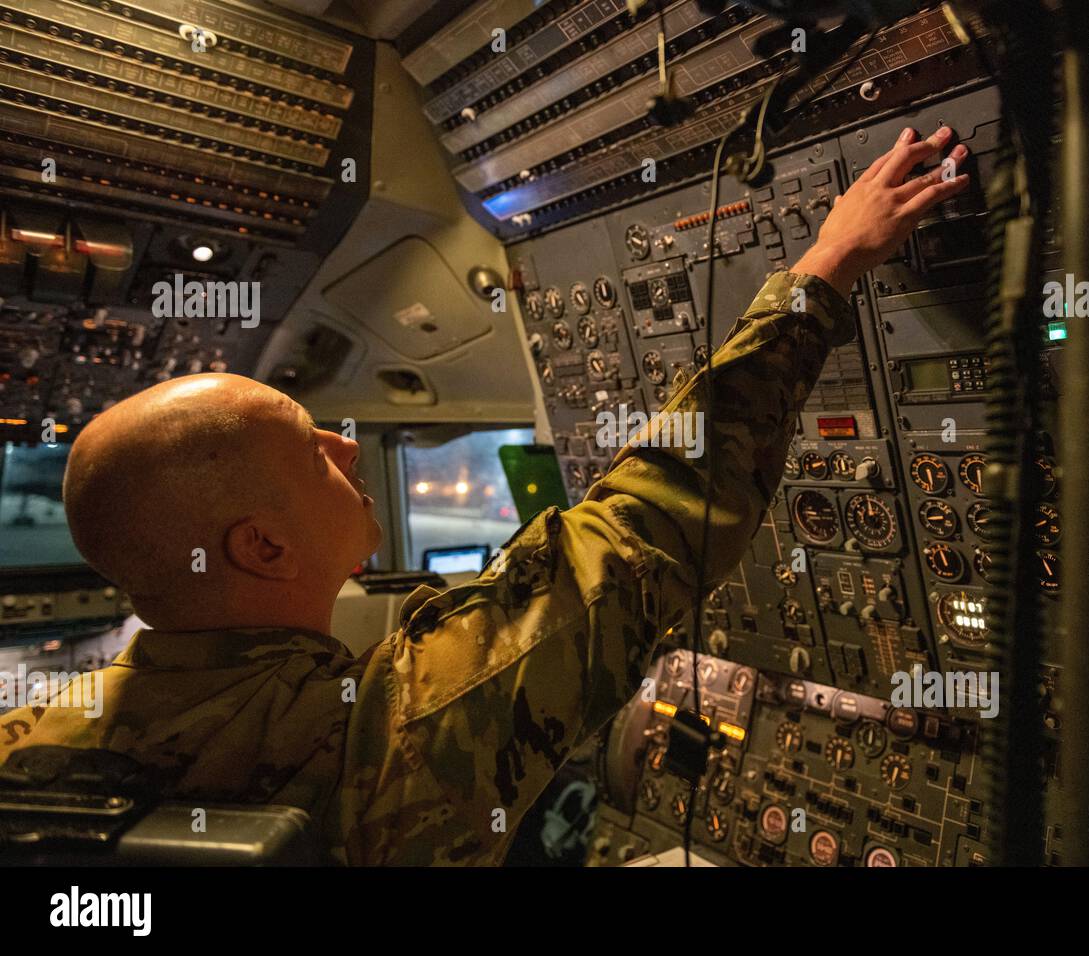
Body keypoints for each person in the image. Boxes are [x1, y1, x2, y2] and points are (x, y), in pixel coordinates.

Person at [0, 127, 968, 864]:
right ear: (260, 547)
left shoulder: (30, 740)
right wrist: (822, 271)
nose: (344, 439)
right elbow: (648, 520)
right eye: (310, 445)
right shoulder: (397, 719)